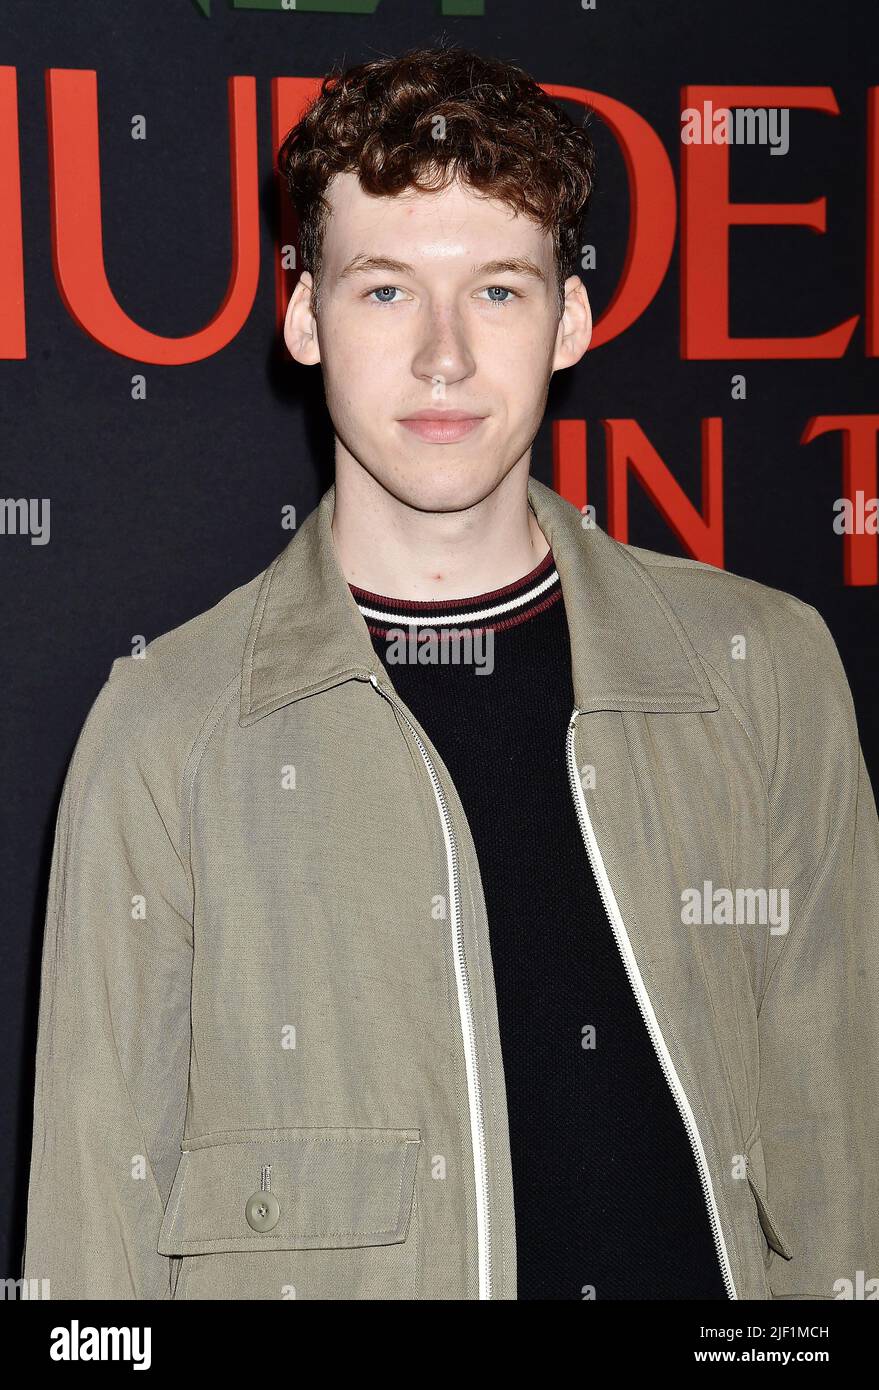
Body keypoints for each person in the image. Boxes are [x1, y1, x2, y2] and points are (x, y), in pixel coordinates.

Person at [22, 44, 879, 1301]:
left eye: (495, 291)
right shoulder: (164, 734)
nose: (441, 357)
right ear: (304, 315)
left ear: (570, 318)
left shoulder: (766, 675)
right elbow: (91, 1281)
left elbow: (845, 1176)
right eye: (383, 292)